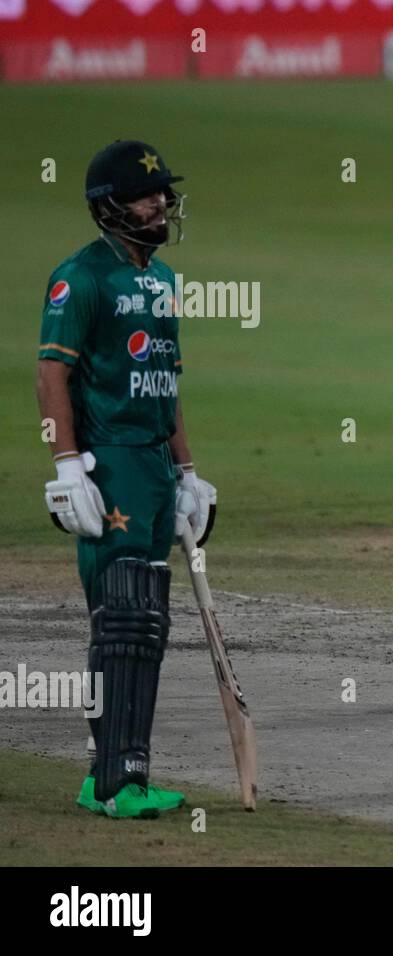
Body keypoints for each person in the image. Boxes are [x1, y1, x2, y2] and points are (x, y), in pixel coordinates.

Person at [37, 139, 217, 816]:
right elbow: (51, 371)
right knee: (124, 621)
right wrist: (64, 466)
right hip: (104, 462)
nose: (162, 203)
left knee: (142, 623)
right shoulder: (80, 278)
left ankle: (104, 774)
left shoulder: (163, 282)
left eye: (164, 193)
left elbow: (162, 385)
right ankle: (120, 781)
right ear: (111, 206)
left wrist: (188, 473)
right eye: (148, 195)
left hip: (150, 463)